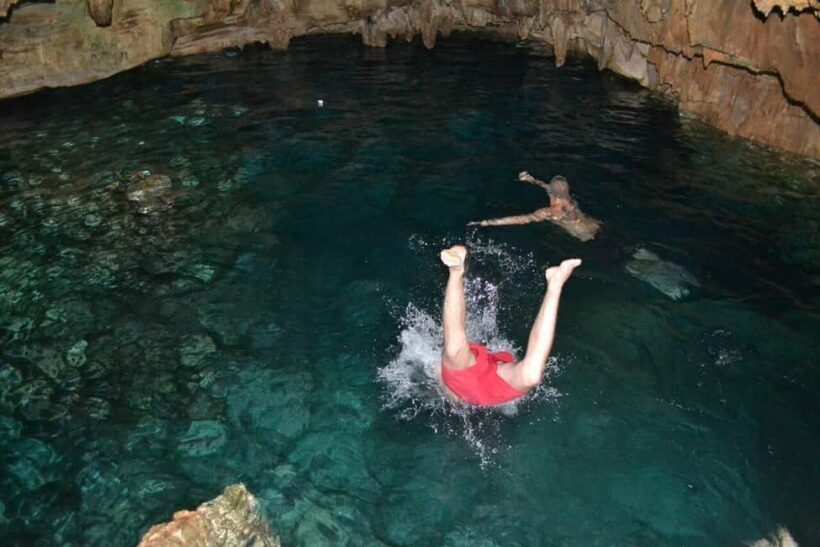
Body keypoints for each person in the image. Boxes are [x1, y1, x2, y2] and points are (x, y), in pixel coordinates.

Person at [438, 245, 581, 406]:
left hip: (461, 383)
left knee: (454, 351)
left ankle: (456, 270)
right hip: (494, 388)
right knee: (531, 376)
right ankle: (555, 282)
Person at [468, 172, 601, 241]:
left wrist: (487, 222)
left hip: (585, 237)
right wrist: (531, 180)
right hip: (595, 225)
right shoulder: (568, 200)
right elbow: (549, 188)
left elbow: (520, 219)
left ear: (552, 193)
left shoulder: (549, 212)